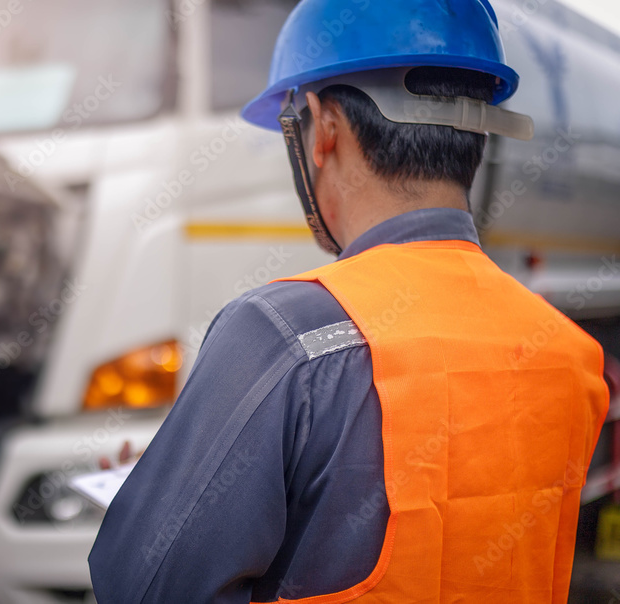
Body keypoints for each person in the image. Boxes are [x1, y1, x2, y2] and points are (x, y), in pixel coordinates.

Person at [88, 0, 610, 602]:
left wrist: (162, 498)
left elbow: (143, 585)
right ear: (480, 132)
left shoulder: (282, 335)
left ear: (323, 125)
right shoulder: (574, 358)